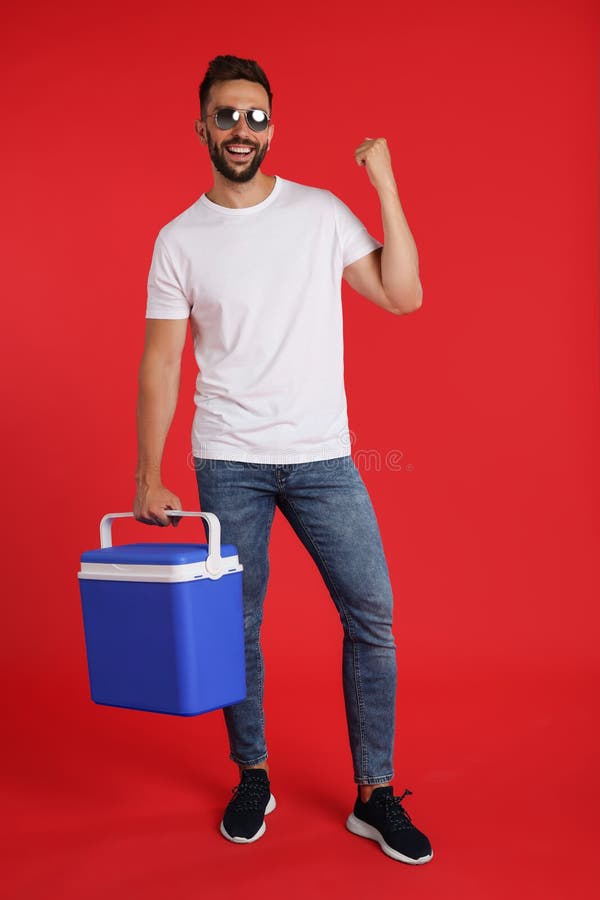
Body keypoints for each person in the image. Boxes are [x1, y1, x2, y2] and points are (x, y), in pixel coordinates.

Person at [133, 54, 433, 865]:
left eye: (255, 116)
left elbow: (403, 295)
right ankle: (253, 774)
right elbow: (162, 363)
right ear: (201, 125)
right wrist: (147, 473)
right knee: (238, 626)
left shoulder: (320, 213)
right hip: (228, 457)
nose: (241, 129)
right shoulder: (179, 239)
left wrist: (386, 187)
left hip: (323, 455)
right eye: (226, 115)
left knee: (372, 615)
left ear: (273, 126)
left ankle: (374, 795)